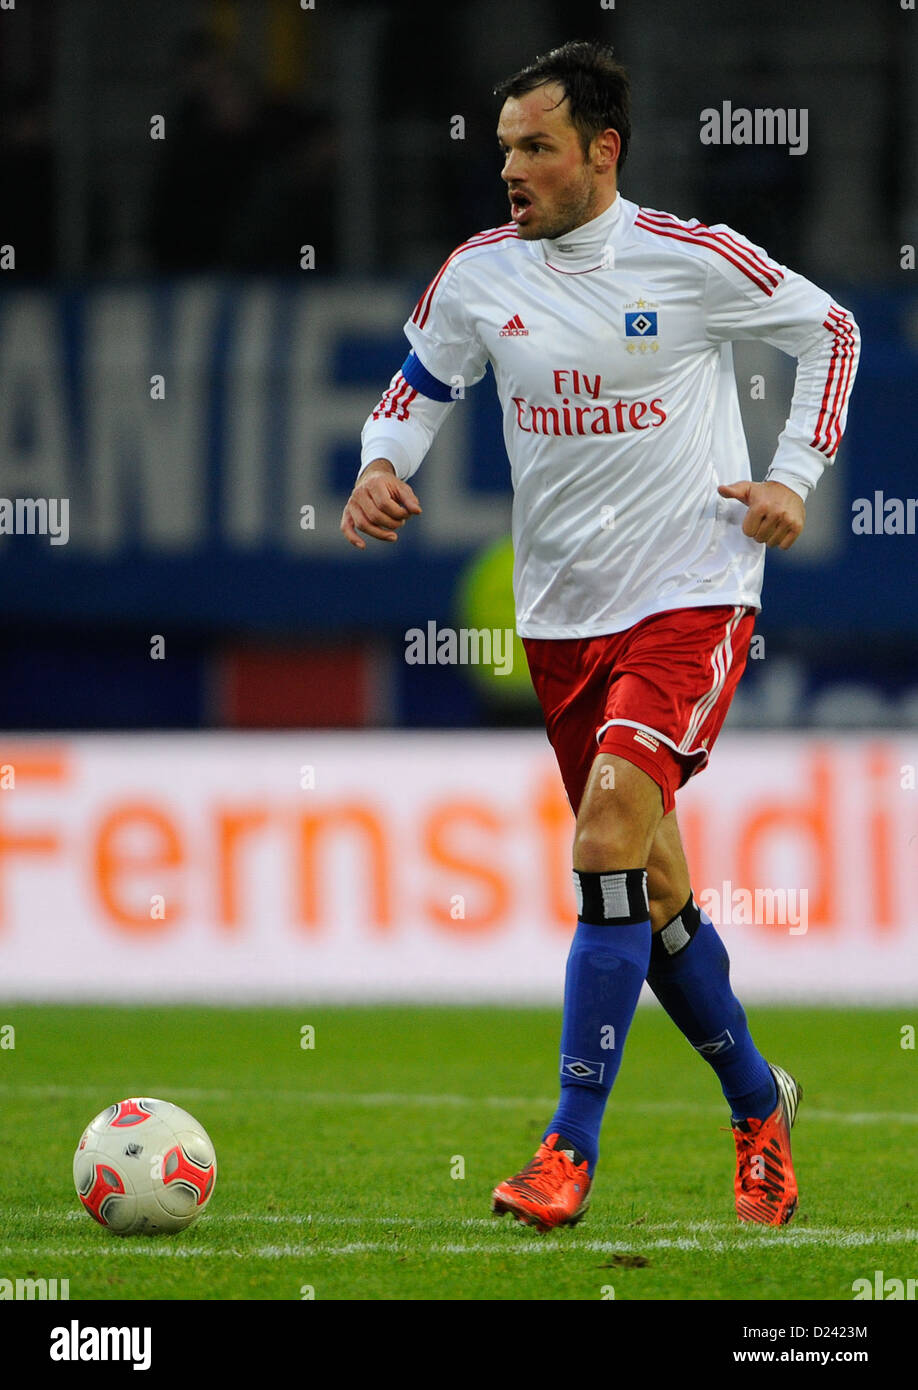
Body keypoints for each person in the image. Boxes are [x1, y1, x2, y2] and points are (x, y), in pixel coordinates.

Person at [340, 41, 859, 1231]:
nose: (510, 170)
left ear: (600, 152)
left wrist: (794, 476)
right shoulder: (477, 274)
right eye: (504, 148)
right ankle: (757, 1098)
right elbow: (416, 388)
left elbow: (831, 331)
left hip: (693, 590)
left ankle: (566, 1151)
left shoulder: (690, 260)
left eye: (535, 148)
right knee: (651, 885)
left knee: (609, 829)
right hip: (564, 618)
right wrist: (378, 465)